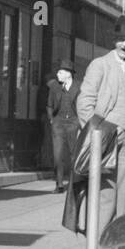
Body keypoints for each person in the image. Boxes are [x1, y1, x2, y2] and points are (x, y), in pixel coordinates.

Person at [75, 21, 125, 228]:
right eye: (121, 40)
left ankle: (112, 247)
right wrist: (96, 132)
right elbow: (84, 102)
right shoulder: (100, 65)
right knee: (105, 193)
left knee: (121, 194)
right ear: (114, 41)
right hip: (107, 137)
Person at [46, 61, 80, 192]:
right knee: (57, 155)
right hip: (58, 123)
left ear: (68, 74)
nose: (57, 74)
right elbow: (49, 105)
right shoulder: (55, 86)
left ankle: (73, 183)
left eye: (60, 72)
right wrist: (51, 120)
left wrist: (80, 122)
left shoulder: (79, 86)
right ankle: (59, 184)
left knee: (74, 155)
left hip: (74, 122)